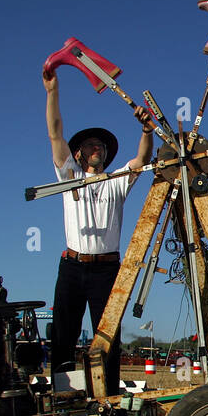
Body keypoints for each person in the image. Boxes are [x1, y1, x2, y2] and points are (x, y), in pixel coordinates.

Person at [43, 67, 154, 383]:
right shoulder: (70, 178)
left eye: (101, 146)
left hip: (106, 270)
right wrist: (52, 92)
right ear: (78, 154)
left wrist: (146, 131)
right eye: (91, 145)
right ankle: (62, 396)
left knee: (108, 336)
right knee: (64, 333)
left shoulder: (117, 181)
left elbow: (142, 159)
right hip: (72, 267)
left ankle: (109, 398)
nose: (98, 149)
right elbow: (55, 133)